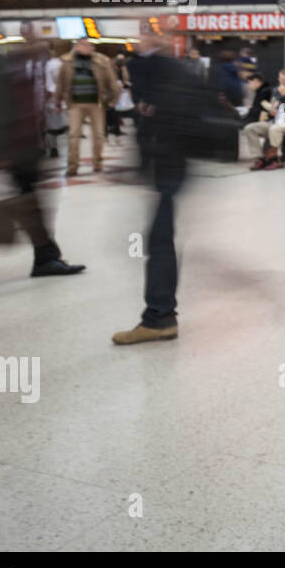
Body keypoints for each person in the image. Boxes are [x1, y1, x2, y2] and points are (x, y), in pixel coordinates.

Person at [0, 36, 86, 278]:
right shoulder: (1, 73)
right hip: (14, 152)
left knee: (33, 205)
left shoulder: (30, 73)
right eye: (38, 44)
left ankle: (47, 256)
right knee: (30, 206)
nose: (43, 49)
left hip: (29, 149)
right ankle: (46, 257)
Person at [111, 45, 192, 345]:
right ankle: (161, 314)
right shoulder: (173, 68)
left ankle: (160, 316)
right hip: (171, 166)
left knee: (160, 242)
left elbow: (158, 118)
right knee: (161, 240)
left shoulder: (159, 69)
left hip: (169, 166)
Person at [56, 38, 120, 177]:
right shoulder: (67, 62)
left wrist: (114, 98)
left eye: (91, 45)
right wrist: (57, 101)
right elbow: (60, 83)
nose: (90, 47)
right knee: (73, 135)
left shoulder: (102, 61)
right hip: (75, 104)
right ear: (77, 47)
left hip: (96, 104)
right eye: (85, 45)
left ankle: (97, 162)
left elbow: (112, 81)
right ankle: (72, 166)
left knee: (98, 135)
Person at [242, 68, 285, 170]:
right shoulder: (276, 89)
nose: (282, 82)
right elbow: (274, 105)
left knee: (274, 129)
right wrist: (272, 111)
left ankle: (274, 159)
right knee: (250, 128)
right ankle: (260, 158)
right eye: (280, 79)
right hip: (275, 120)